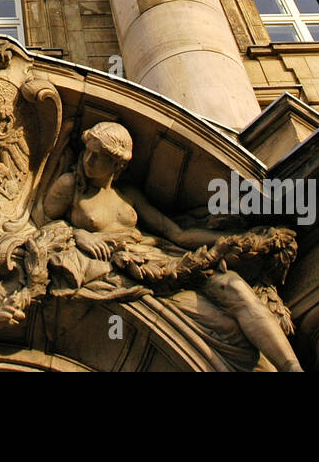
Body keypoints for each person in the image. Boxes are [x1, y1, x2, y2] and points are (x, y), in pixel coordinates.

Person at [43, 122, 303, 372]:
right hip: (129, 267)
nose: (88, 160)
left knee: (233, 285)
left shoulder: (129, 195)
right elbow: (40, 221)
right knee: (227, 328)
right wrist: (79, 234)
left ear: (117, 163)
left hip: (159, 255)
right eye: (88, 151)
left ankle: (292, 367)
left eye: (98, 156)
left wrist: (236, 239)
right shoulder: (70, 185)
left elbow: (176, 233)